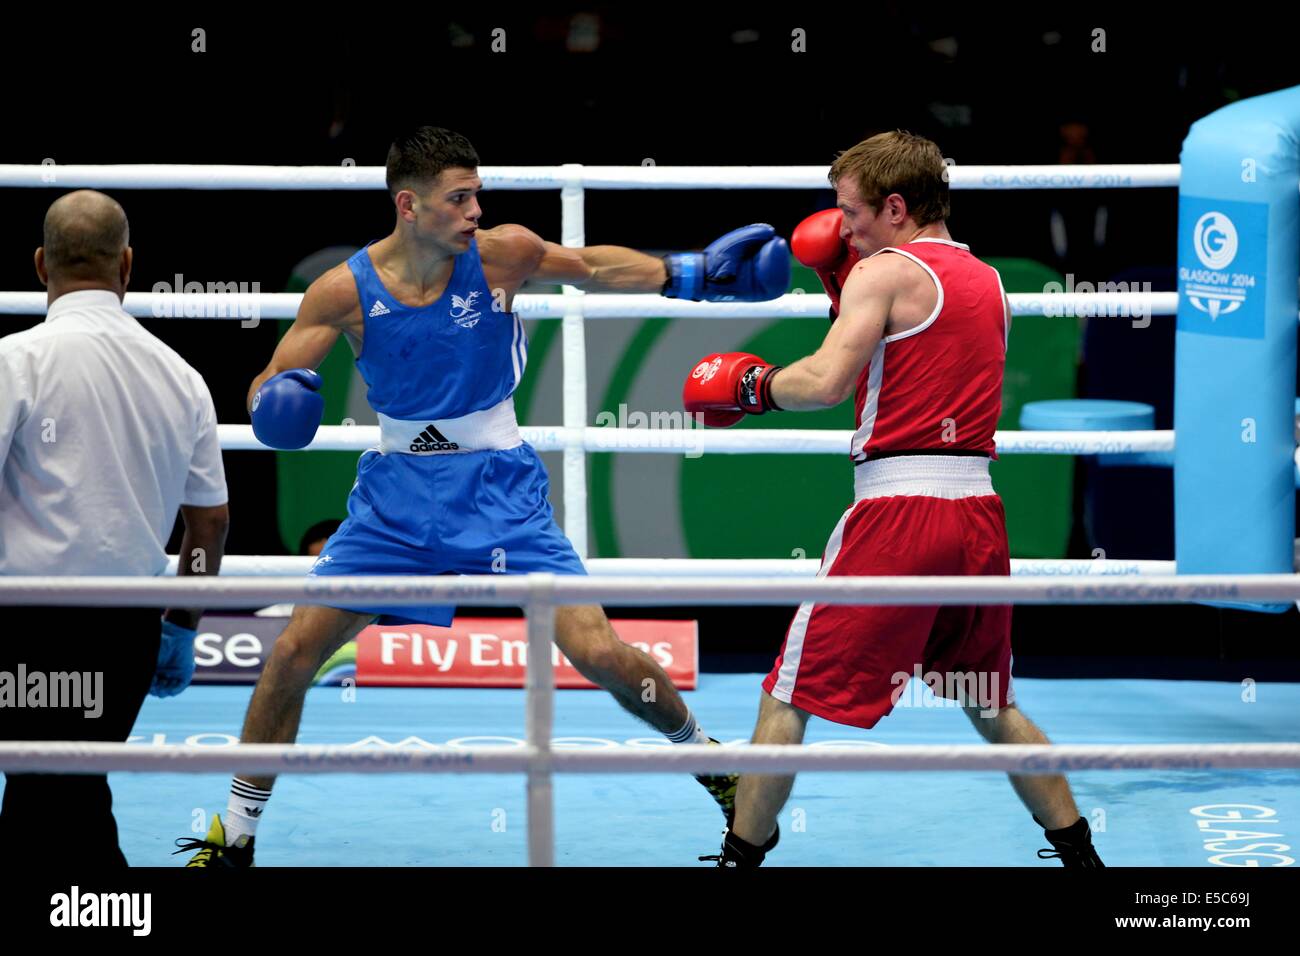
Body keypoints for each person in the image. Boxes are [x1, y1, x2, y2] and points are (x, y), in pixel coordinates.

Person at [177, 126, 789, 866]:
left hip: (503, 488)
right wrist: (274, 400)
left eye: (477, 194)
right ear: (408, 205)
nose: (475, 211)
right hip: (395, 501)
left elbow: (592, 266)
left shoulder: (500, 255)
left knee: (598, 651)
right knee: (294, 653)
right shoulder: (342, 291)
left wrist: (686, 273)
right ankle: (236, 836)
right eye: (457, 198)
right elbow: (267, 384)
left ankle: (712, 763)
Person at [684, 131, 1103, 868]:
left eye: (851, 212)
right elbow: (906, 365)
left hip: (900, 511)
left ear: (897, 207)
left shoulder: (883, 273)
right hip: (977, 514)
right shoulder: (989, 281)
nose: (842, 228)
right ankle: (1081, 856)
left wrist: (751, 386)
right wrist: (841, 293)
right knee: (988, 700)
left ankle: (739, 856)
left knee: (788, 693)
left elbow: (824, 384)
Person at [0, 190, 229, 865]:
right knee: (59, 793)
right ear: (127, 265)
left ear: (42, 265)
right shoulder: (182, 377)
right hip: (125, 632)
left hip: (26, 618)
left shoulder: (17, 360)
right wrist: (180, 626)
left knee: (53, 798)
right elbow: (208, 526)